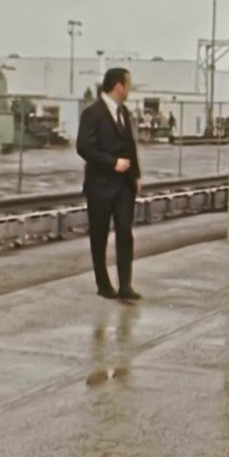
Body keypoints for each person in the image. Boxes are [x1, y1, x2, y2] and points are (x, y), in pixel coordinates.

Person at [77, 68, 142, 301]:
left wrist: (135, 174)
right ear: (118, 86)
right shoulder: (92, 113)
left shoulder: (123, 112)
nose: (130, 89)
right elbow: (83, 147)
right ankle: (103, 284)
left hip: (123, 186)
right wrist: (112, 163)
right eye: (128, 84)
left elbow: (130, 146)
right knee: (100, 235)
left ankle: (125, 284)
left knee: (125, 231)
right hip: (100, 186)